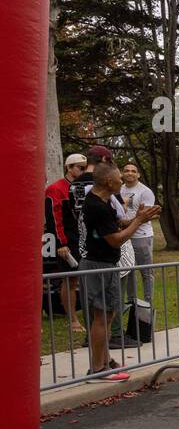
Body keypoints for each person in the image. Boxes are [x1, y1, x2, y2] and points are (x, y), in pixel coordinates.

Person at [79, 162, 160, 380]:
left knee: (108, 314)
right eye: (119, 178)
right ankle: (98, 368)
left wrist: (139, 217)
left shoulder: (103, 202)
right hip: (98, 265)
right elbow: (116, 240)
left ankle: (106, 360)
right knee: (101, 317)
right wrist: (140, 222)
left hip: (106, 264)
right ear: (108, 182)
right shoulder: (95, 205)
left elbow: (118, 224)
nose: (122, 181)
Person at [44, 153, 88, 335]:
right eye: (80, 167)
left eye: (85, 167)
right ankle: (73, 319)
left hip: (84, 239)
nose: (84, 171)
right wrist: (61, 243)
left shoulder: (85, 188)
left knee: (84, 278)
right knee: (69, 280)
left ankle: (87, 313)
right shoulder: (56, 189)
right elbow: (53, 218)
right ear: (69, 168)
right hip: (67, 240)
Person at [119, 162, 156, 316]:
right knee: (128, 270)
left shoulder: (145, 192)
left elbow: (145, 216)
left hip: (141, 236)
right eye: (126, 170)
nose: (130, 173)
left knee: (145, 272)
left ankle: (147, 303)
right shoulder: (118, 189)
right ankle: (132, 301)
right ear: (122, 173)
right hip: (124, 236)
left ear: (138, 175)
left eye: (133, 171)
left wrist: (124, 221)